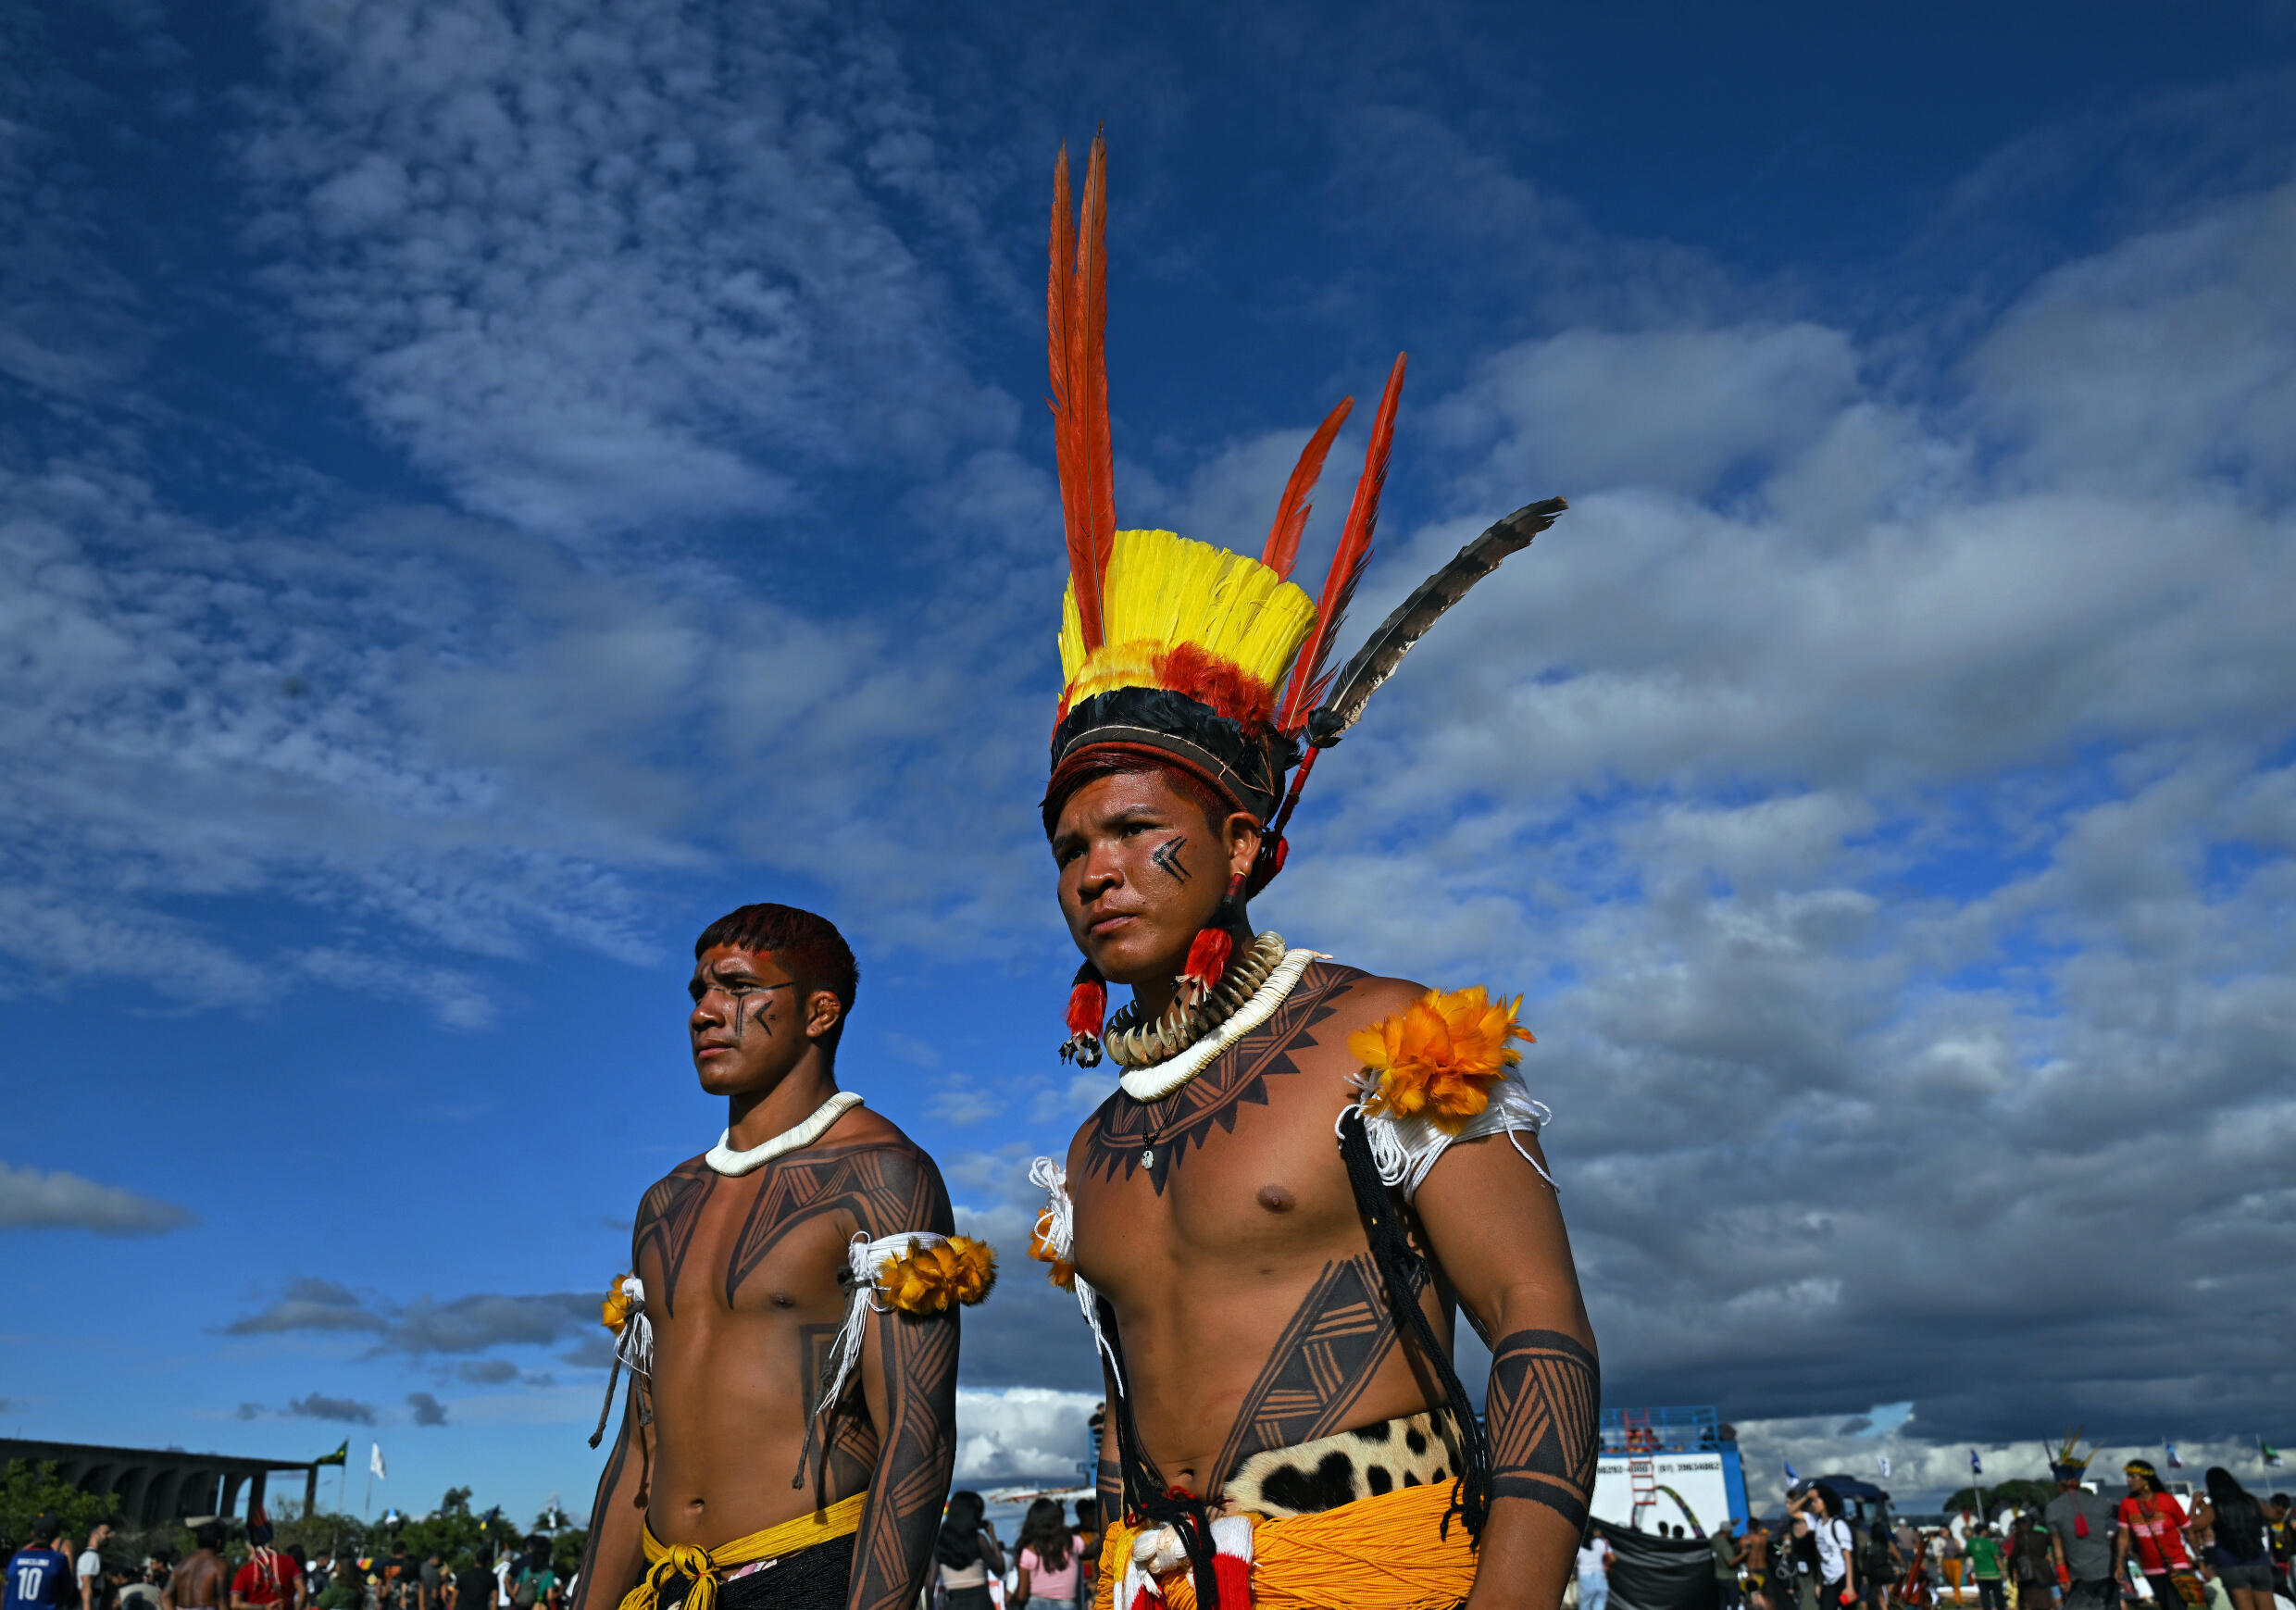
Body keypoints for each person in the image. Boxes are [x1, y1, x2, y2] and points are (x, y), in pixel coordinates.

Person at [1023, 130, 1585, 1610]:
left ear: (1242, 847)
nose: (1098, 867)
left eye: (1138, 830)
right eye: (1072, 844)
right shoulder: (1094, 1144)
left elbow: (1536, 1322)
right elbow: (1126, 1408)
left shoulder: (1393, 1035)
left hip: (1384, 1563)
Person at [571, 903, 982, 1610]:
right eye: (699, 991)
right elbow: (640, 1448)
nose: (704, 1012)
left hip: (811, 1576)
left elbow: (917, 1437)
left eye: (737, 987)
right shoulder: (665, 1203)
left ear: (820, 1012)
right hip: (665, 1581)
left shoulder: (883, 1175)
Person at [2044, 1455, 2120, 1610]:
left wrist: (2063, 1576)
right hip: (2107, 1568)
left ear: (2059, 1485)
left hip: (2078, 1574)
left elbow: (2058, 1550)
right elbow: (2124, 1520)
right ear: (2078, 1483)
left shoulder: (2052, 1509)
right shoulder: (2100, 1503)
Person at [2117, 1460, 2196, 1609]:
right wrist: (2119, 1563)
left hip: (2176, 1563)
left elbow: (2188, 1530)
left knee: (2177, 1605)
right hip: (2151, 1567)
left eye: (2133, 1476)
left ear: (2146, 1479)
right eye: (2128, 1476)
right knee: (2165, 1605)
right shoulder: (2127, 1504)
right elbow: (2123, 1537)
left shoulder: (2167, 1500)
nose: (2129, 1480)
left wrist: (2199, 1558)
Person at [2191, 1468, 2273, 1610]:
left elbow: (2191, 1526)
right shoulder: (2251, 1501)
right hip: (2258, 1559)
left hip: (2230, 1563)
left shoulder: (2216, 1508)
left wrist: (2194, 1503)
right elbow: (2274, 1516)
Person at [1791, 1486, 1857, 1610]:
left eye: (1816, 1501)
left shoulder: (1838, 1524)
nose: (1813, 1504)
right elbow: (1792, 1512)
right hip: (1828, 1579)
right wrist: (1807, 1496)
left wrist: (1849, 1586)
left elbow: (1848, 1557)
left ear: (1826, 1502)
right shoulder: (1816, 1522)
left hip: (1842, 1576)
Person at [932, 1494, 1004, 1610]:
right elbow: (1000, 1568)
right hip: (979, 1601)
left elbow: (931, 1582)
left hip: (953, 1602)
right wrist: (992, 1537)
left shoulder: (941, 1542)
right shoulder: (979, 1539)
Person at [1010, 1499, 1078, 1610]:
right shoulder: (1072, 1543)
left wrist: (1012, 1601)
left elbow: (1022, 1595)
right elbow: (1091, 1550)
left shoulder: (1029, 1552)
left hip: (1036, 1605)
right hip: (1066, 1605)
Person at [229, 1517, 300, 1610]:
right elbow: (302, 1590)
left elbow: (235, 1604)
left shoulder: (244, 1571)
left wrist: (264, 1607)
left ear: (250, 1546)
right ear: (272, 1542)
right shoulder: (288, 1562)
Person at [7, 1514, 73, 1610]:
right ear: (55, 1536)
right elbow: (67, 1589)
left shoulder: (17, 1558)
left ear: (32, 1533)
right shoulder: (58, 1560)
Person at [161, 1527, 228, 1610]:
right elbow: (222, 1601)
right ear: (219, 1542)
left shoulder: (180, 1565)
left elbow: (165, 1596)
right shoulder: (219, 1565)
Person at [2007, 1516, 2054, 1610]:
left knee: (2029, 1601)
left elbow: (2012, 1556)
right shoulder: (2042, 1535)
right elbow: (2055, 1545)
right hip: (2043, 1572)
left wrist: (2012, 1574)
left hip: (2026, 1575)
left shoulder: (2019, 1536)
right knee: (2044, 1601)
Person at [1964, 1524, 2005, 1610]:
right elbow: (1997, 1558)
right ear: (1983, 1532)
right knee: (1999, 1597)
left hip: (1980, 1575)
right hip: (1993, 1574)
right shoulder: (1989, 1543)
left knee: (1985, 1598)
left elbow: (1967, 1553)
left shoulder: (1971, 1543)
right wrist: (2003, 1571)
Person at [1070, 1500, 1100, 1610]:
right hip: (1079, 1584)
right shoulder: (1073, 1534)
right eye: (1089, 1514)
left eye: (1093, 1514)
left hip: (1096, 1584)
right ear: (1080, 1515)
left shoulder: (1097, 1534)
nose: (1092, 1517)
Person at [77, 1525, 113, 1610]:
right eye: (106, 1533)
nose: (109, 1536)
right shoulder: (90, 1556)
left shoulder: (94, 1555)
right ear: (94, 1534)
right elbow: (86, 1587)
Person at [1576, 1534, 1614, 1610]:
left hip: (1585, 1575)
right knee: (1600, 1601)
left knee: (1585, 1603)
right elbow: (1612, 1558)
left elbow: (1575, 1561)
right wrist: (1606, 1566)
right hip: (1600, 1575)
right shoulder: (1602, 1542)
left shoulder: (1579, 1544)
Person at [1716, 1525, 1747, 1610]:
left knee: (1724, 1602)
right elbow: (1730, 1562)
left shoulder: (1717, 1541)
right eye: (1730, 1531)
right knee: (1734, 1602)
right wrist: (1743, 1553)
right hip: (1729, 1578)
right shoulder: (1725, 1545)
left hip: (1720, 1577)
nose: (1731, 1533)